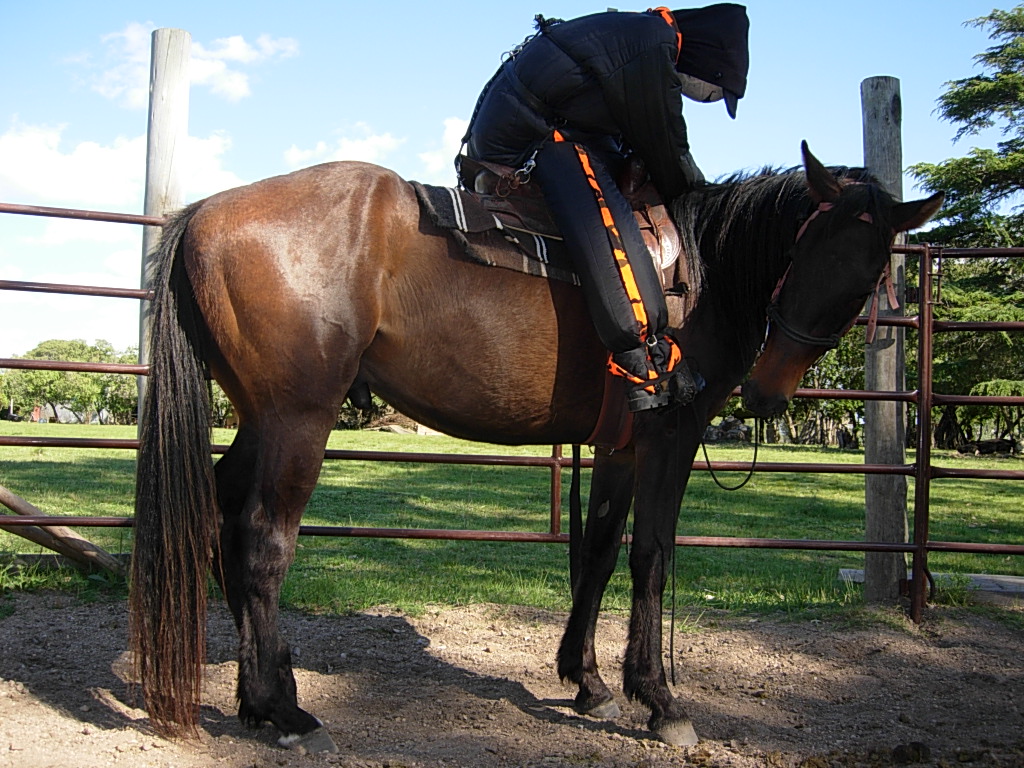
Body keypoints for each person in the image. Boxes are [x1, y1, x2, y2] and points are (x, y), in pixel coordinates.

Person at [460, 5, 749, 411]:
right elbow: (666, 141)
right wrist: (700, 198)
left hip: (553, 126)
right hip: (536, 139)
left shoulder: (641, 35)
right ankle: (643, 360)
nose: (708, 98)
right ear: (711, 66)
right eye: (717, 90)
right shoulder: (652, 46)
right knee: (608, 225)